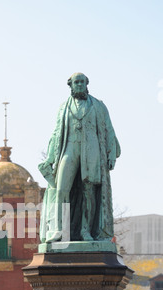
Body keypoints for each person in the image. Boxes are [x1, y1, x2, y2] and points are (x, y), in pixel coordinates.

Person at [39, 73, 120, 244]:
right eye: (77, 82)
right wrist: (51, 158)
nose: (80, 85)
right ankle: (59, 230)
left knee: (88, 192)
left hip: (92, 152)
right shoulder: (63, 107)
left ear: (87, 84)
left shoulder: (98, 106)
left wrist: (111, 153)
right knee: (61, 189)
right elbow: (56, 134)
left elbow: (109, 130)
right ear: (70, 85)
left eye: (83, 82)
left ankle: (86, 230)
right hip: (69, 149)